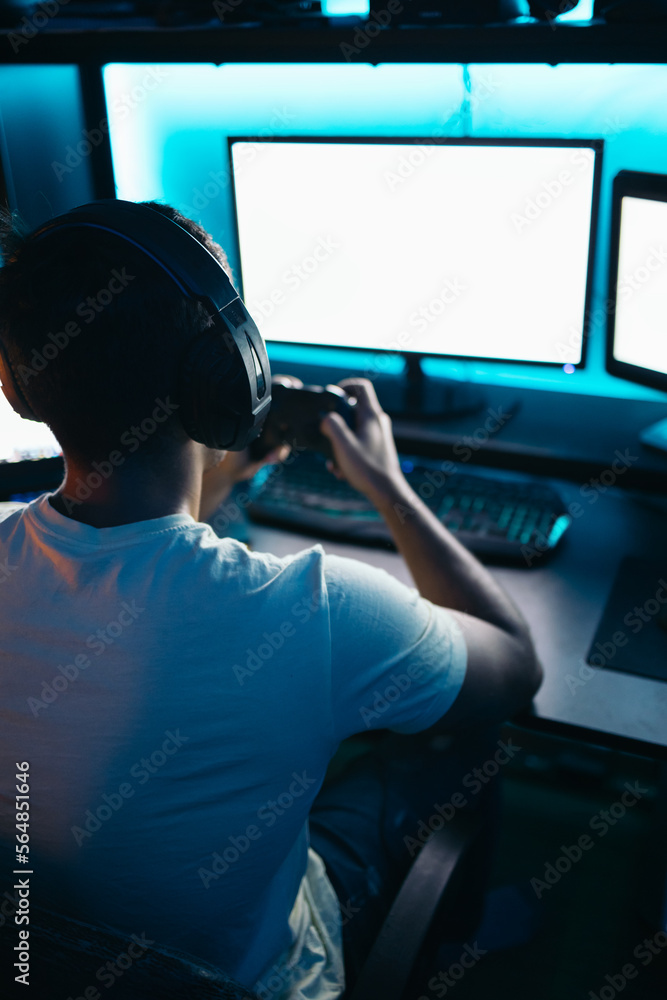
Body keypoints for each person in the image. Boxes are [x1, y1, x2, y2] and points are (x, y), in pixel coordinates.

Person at [0, 200, 542, 999]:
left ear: (16, 384)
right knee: (455, 732)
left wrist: (202, 492)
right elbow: (515, 663)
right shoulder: (314, 611)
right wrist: (386, 484)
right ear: (232, 373)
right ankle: (456, 934)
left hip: (38, 964)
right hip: (260, 979)